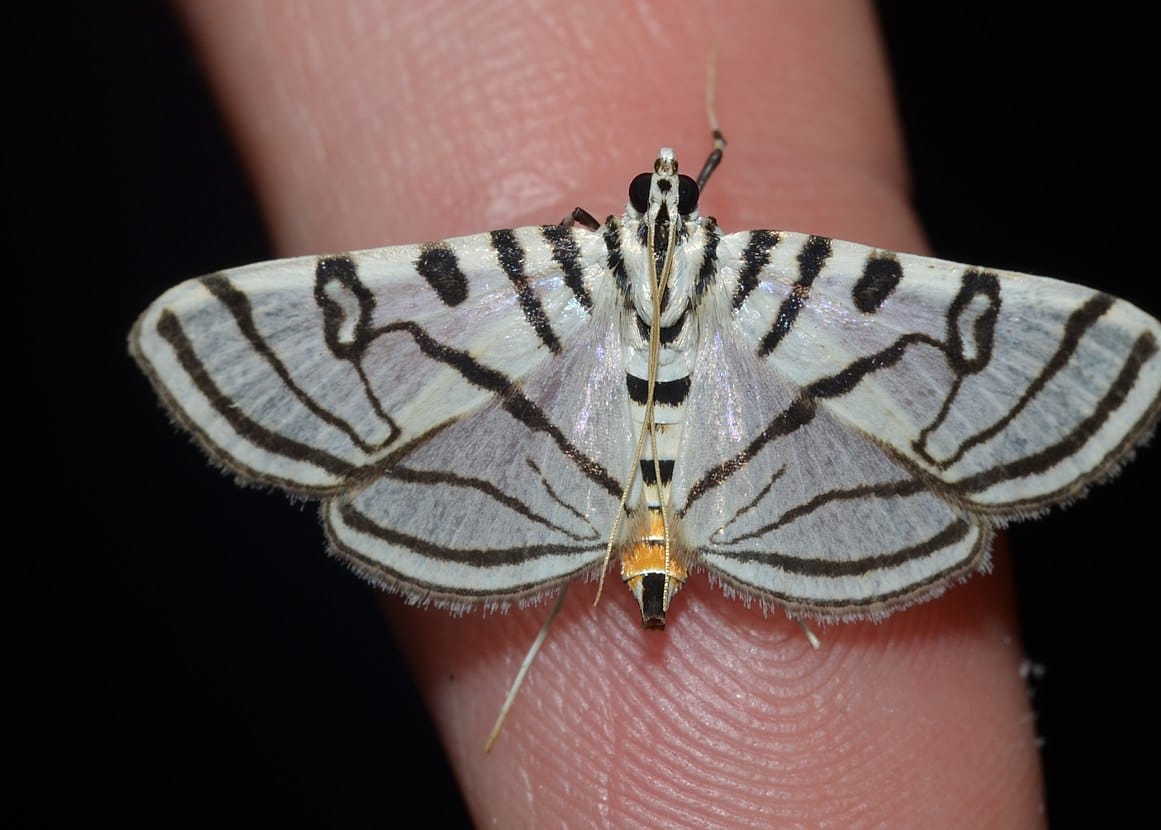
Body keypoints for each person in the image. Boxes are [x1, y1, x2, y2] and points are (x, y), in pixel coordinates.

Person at [176, 1, 1044, 824]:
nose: (666, 190)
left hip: (578, 419)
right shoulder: (757, 268)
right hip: (725, 430)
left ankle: (602, 556)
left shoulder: (561, 259)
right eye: (662, 187)